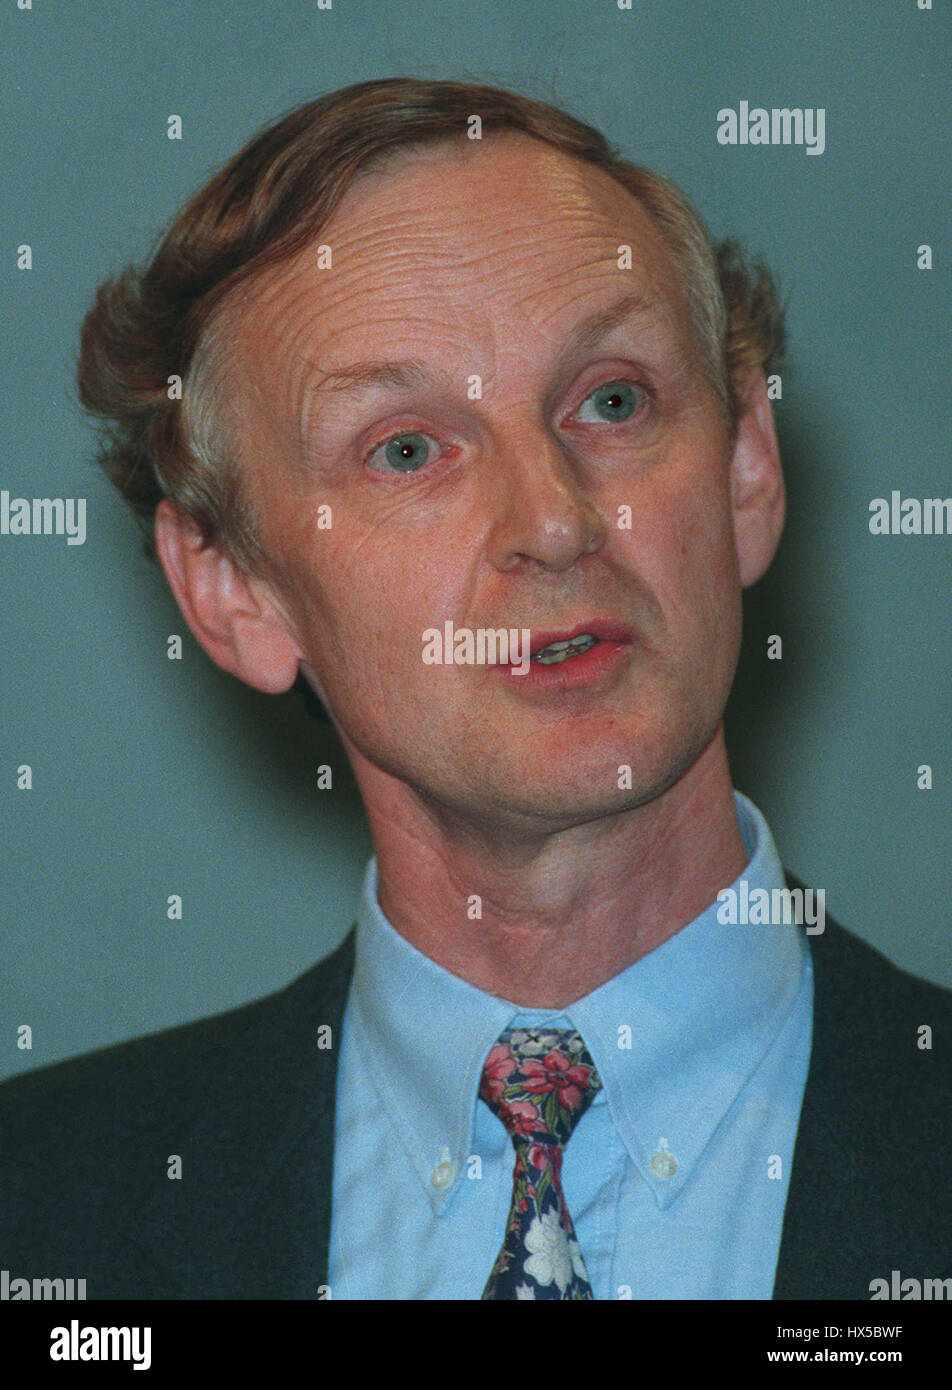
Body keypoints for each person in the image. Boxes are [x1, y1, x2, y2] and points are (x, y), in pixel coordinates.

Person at [1, 78, 949, 1302]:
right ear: (233, 589)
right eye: (406, 449)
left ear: (745, 471)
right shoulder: (38, 1218)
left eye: (611, 400)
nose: (553, 521)